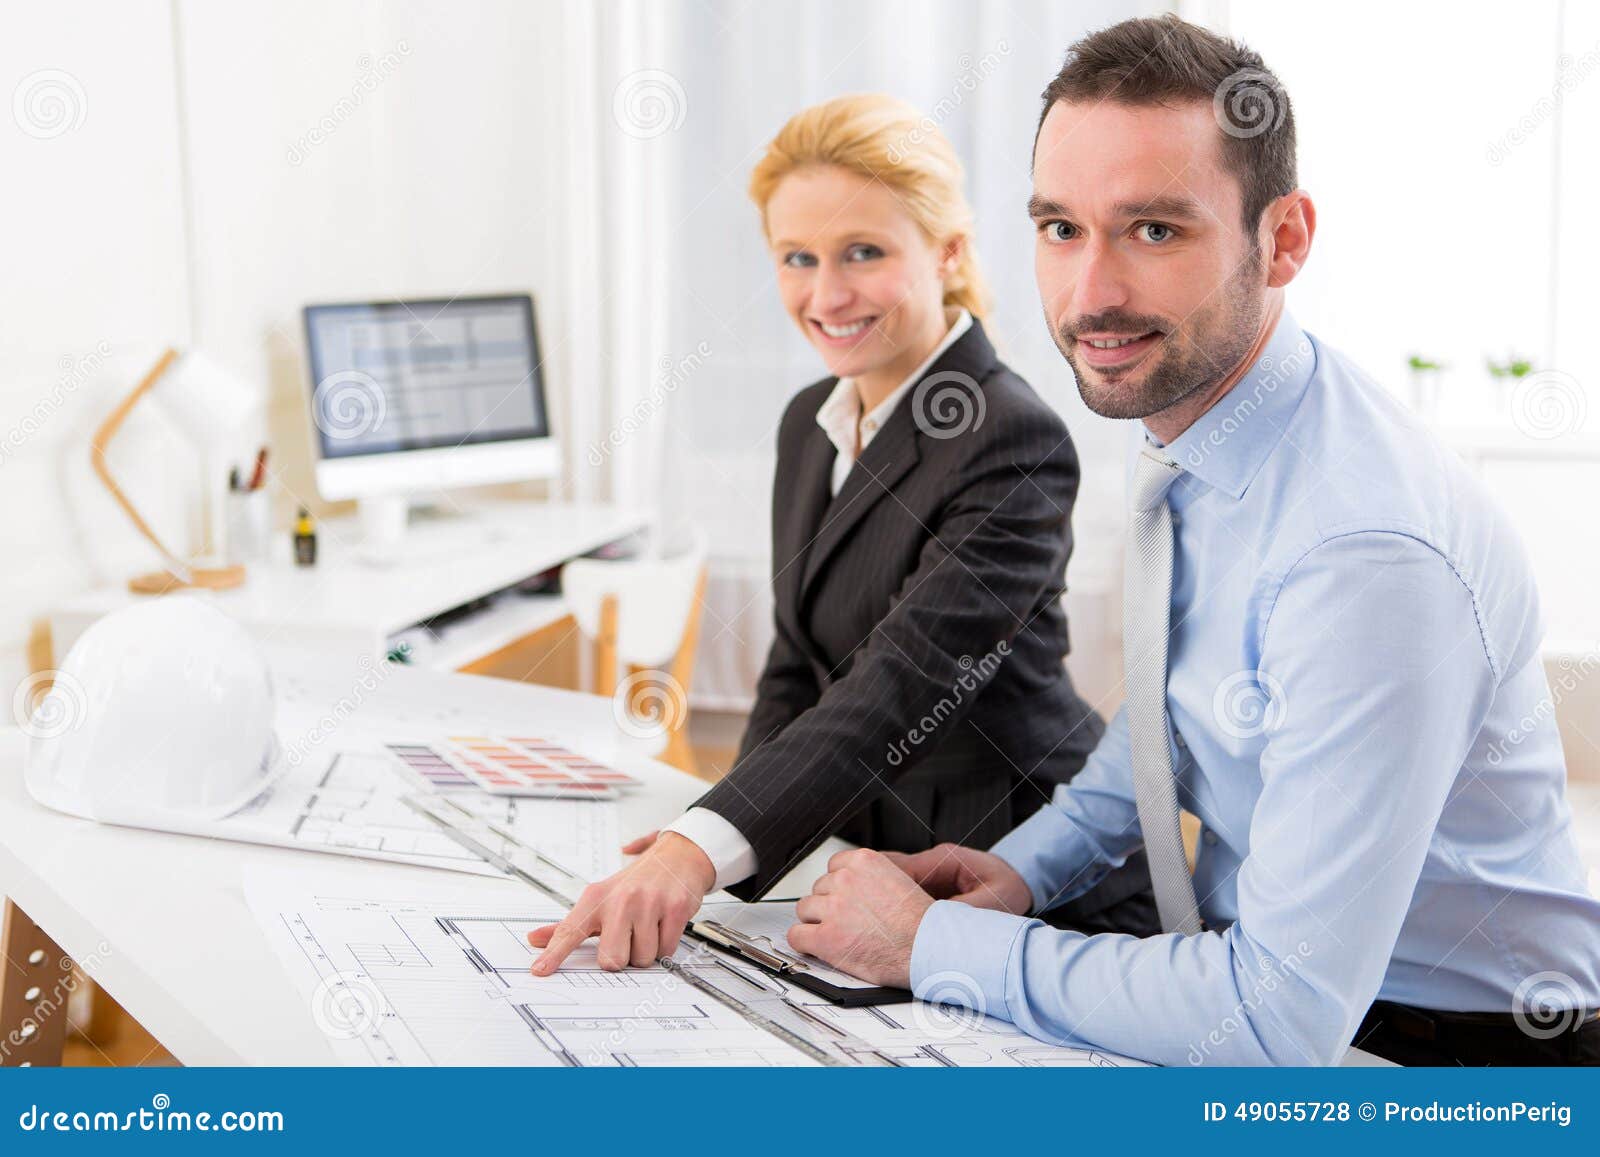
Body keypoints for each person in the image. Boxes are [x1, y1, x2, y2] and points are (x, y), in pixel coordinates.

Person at [786, 16, 1600, 1067]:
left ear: (1284, 239)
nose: (1091, 295)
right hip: (1298, 1005)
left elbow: (1275, 1022)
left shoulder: (1363, 553)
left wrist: (934, 944)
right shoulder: (1205, 415)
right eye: (1061, 228)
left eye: (1155, 230)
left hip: (1453, 1060)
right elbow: (1182, 710)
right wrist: (1026, 868)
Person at [528, 94, 1154, 976]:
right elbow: (797, 662)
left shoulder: (1010, 436)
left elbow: (900, 679)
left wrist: (698, 850)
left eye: (864, 252)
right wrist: (717, 836)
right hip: (855, 851)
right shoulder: (809, 423)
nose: (825, 295)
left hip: (1011, 865)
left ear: (947, 251)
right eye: (798, 258)